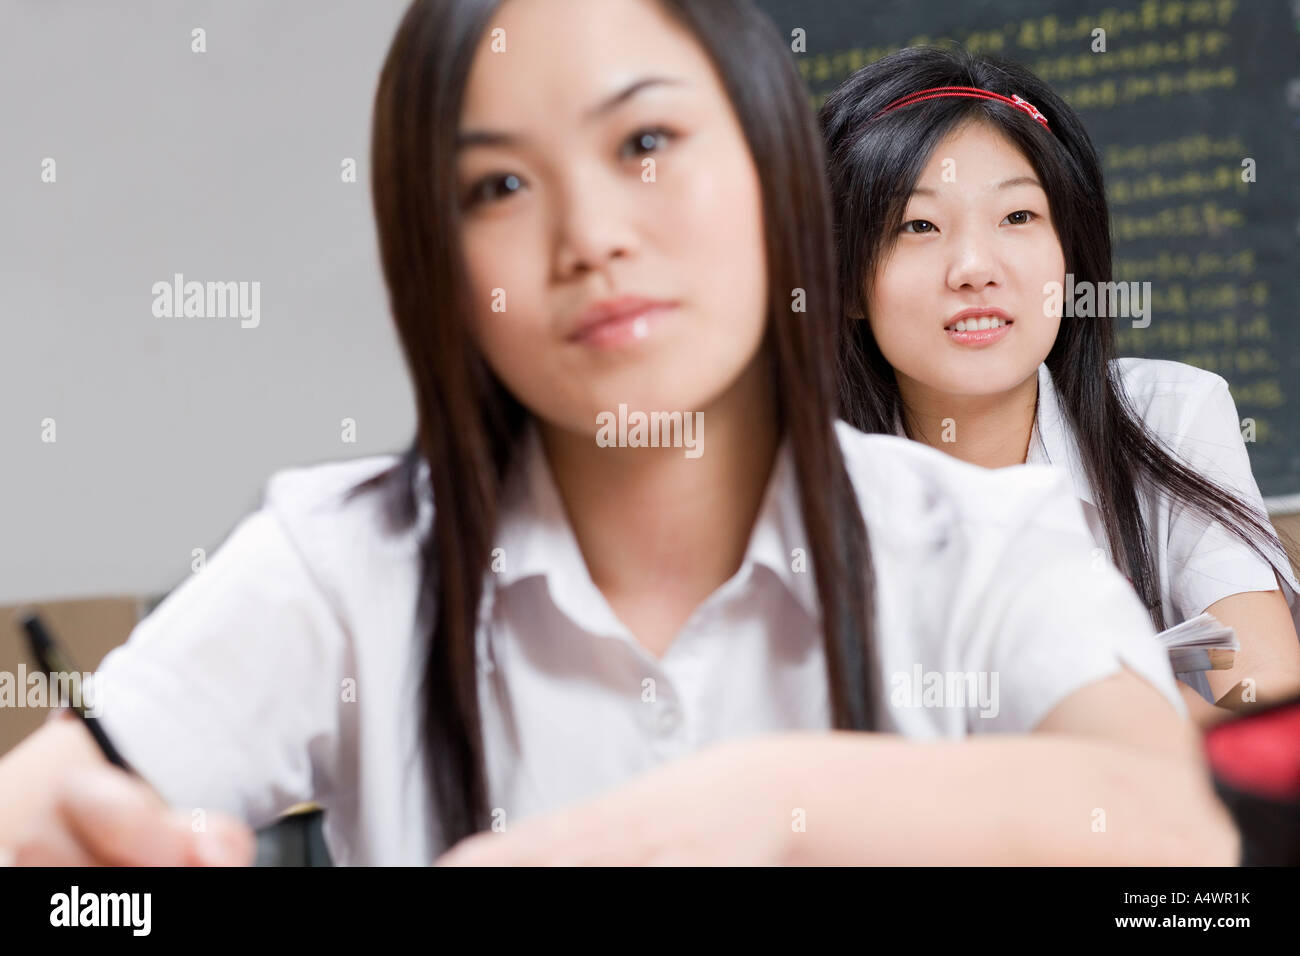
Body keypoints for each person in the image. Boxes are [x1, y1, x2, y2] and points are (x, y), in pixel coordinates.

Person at [0, 0, 1237, 866]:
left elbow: (1183, 836)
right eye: (497, 185)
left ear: (769, 170)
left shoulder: (981, 538)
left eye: (644, 142)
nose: (587, 233)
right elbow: (57, 817)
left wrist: (776, 804)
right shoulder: (344, 561)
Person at [820, 45, 1300, 730]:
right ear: (846, 285)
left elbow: (1264, 691)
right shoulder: (805, 489)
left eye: (1018, 218)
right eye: (918, 226)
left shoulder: (1168, 413)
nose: (974, 268)